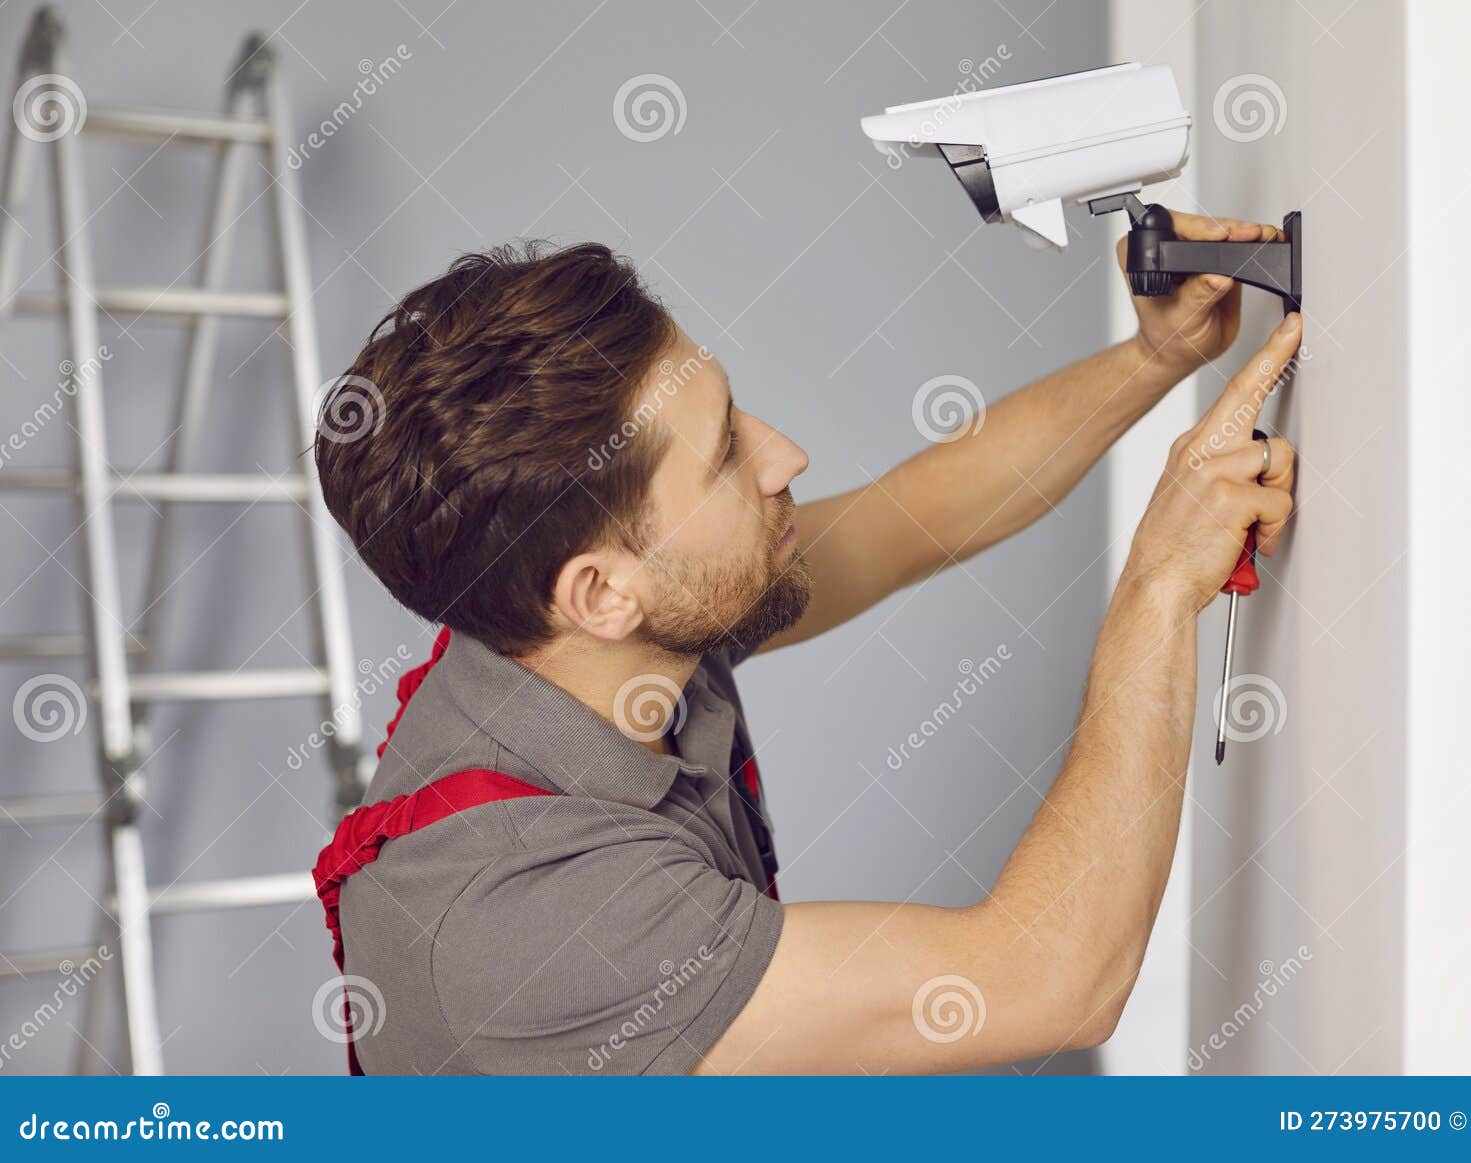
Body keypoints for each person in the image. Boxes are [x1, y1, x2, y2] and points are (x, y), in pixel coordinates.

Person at [311, 214, 1301, 1074]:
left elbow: (907, 519)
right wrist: (1162, 584)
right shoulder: (530, 920)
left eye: (733, 409)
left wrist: (1153, 360)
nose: (786, 454)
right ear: (602, 592)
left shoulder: (595, 641)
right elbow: (1050, 978)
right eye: (727, 456)